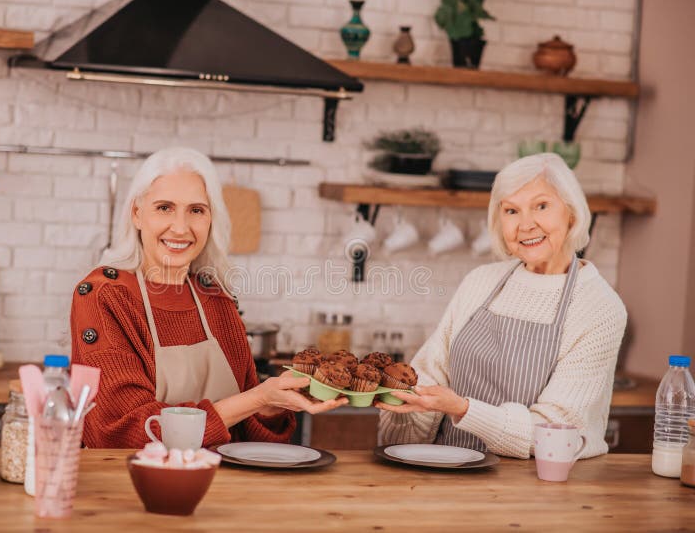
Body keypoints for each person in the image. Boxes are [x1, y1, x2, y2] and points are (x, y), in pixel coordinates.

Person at [71, 147, 346, 448]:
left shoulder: (215, 298)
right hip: (138, 487)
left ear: (211, 219)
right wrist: (256, 398)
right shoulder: (105, 296)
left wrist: (271, 405)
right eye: (164, 207)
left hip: (227, 488)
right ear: (137, 214)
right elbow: (122, 431)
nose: (180, 227)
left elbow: (248, 432)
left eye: (196, 210)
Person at [377, 153, 627, 459]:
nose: (525, 225)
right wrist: (400, 404)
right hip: (449, 471)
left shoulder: (600, 308)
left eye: (541, 206)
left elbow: (553, 432)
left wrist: (463, 409)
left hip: (539, 485)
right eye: (511, 210)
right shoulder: (480, 282)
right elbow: (428, 375)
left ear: (572, 213)